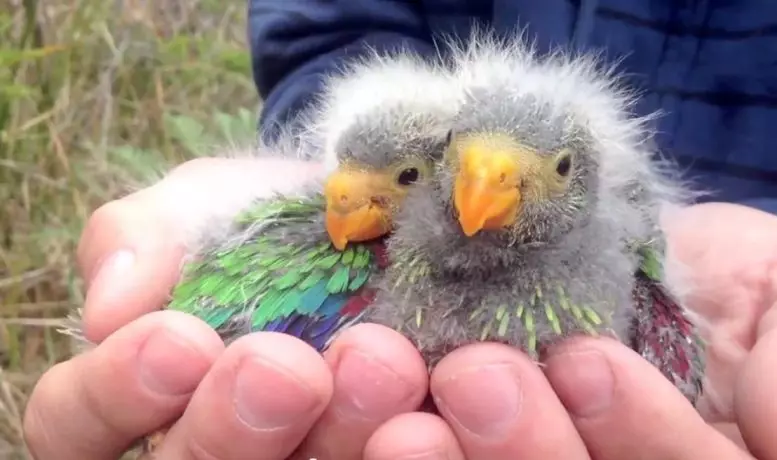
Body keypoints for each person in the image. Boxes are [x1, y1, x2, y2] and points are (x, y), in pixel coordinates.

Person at [23, 1, 777, 459]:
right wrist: (319, 161)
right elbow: (335, 36)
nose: (480, 193)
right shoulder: (359, 249)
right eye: (455, 167)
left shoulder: (628, 271)